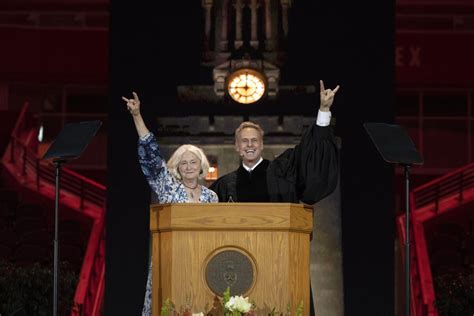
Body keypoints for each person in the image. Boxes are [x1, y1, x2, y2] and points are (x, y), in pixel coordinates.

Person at [122, 92, 218, 316]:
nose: (188, 166)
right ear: (177, 167)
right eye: (183, 163)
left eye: (193, 162)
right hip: (171, 262)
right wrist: (137, 116)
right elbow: (151, 156)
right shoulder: (168, 187)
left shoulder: (211, 198)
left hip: (202, 265)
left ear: (201, 165)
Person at [210, 80, 340, 205]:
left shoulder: (284, 173)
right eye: (244, 141)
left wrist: (323, 109)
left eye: (254, 140)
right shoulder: (224, 185)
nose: (250, 144)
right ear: (237, 147)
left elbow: (310, 155)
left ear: (261, 145)